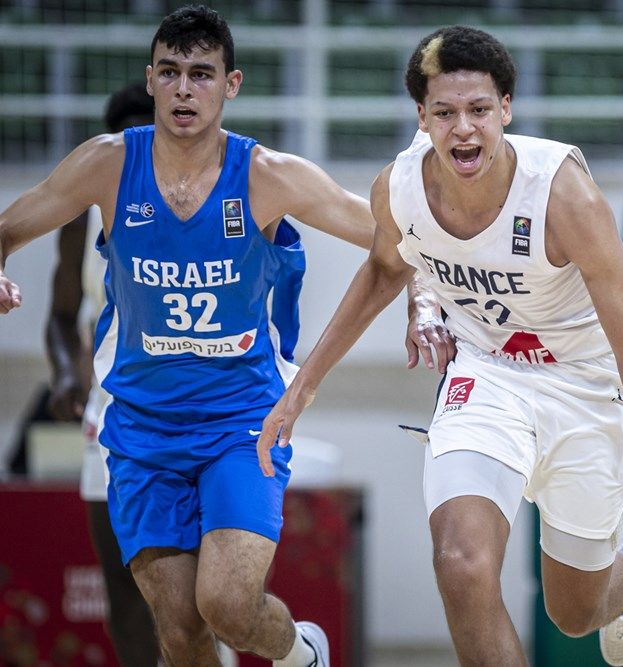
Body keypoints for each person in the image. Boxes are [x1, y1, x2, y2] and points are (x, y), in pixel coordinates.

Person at [256, 25, 623, 667]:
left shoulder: (563, 193)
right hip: (487, 375)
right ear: (422, 117)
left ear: (506, 109)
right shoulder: (399, 189)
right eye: (444, 112)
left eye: (479, 110)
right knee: (461, 564)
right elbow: (384, 270)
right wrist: (301, 389)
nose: (463, 129)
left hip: (585, 382)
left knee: (574, 613)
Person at [0, 5, 379, 665]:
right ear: (150, 79)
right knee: (178, 627)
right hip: (142, 427)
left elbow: (391, 238)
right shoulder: (108, 164)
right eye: (170, 71)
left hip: (241, 420)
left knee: (228, 604)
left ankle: (302, 654)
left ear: (231, 84)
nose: (183, 88)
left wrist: (428, 297)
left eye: (201, 73)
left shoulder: (267, 174)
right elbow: (7, 228)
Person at [44, 81, 161, 665]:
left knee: (201, 587)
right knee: (123, 579)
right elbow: (61, 317)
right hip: (111, 408)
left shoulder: (213, 196)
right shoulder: (84, 211)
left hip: (194, 403)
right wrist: (67, 376)